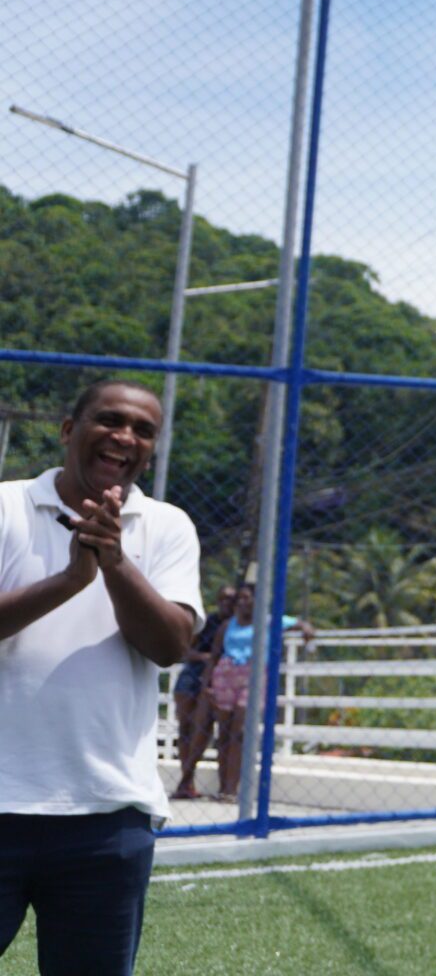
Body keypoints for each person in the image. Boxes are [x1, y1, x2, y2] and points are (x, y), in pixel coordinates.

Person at [0, 379, 202, 975]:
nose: (125, 437)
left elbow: (170, 645)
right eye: (110, 420)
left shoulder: (167, 527)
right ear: (68, 430)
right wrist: (67, 582)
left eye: (144, 430)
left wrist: (113, 562)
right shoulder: (6, 506)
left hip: (107, 816)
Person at [206, 583, 314, 802]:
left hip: (253, 676)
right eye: (240, 599)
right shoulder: (228, 625)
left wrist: (306, 632)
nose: (243, 603)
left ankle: (232, 788)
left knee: (240, 731)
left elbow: (300, 624)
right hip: (226, 676)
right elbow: (215, 654)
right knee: (224, 734)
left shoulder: (268, 621)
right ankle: (222, 787)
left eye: (247, 598)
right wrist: (207, 684)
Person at [169, 583, 238, 800]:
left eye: (231, 599)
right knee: (186, 729)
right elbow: (185, 649)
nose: (226, 603)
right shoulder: (208, 622)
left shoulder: (238, 624)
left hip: (218, 680)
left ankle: (204, 783)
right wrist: (203, 658)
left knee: (204, 731)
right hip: (193, 675)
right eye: (223, 599)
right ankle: (186, 782)